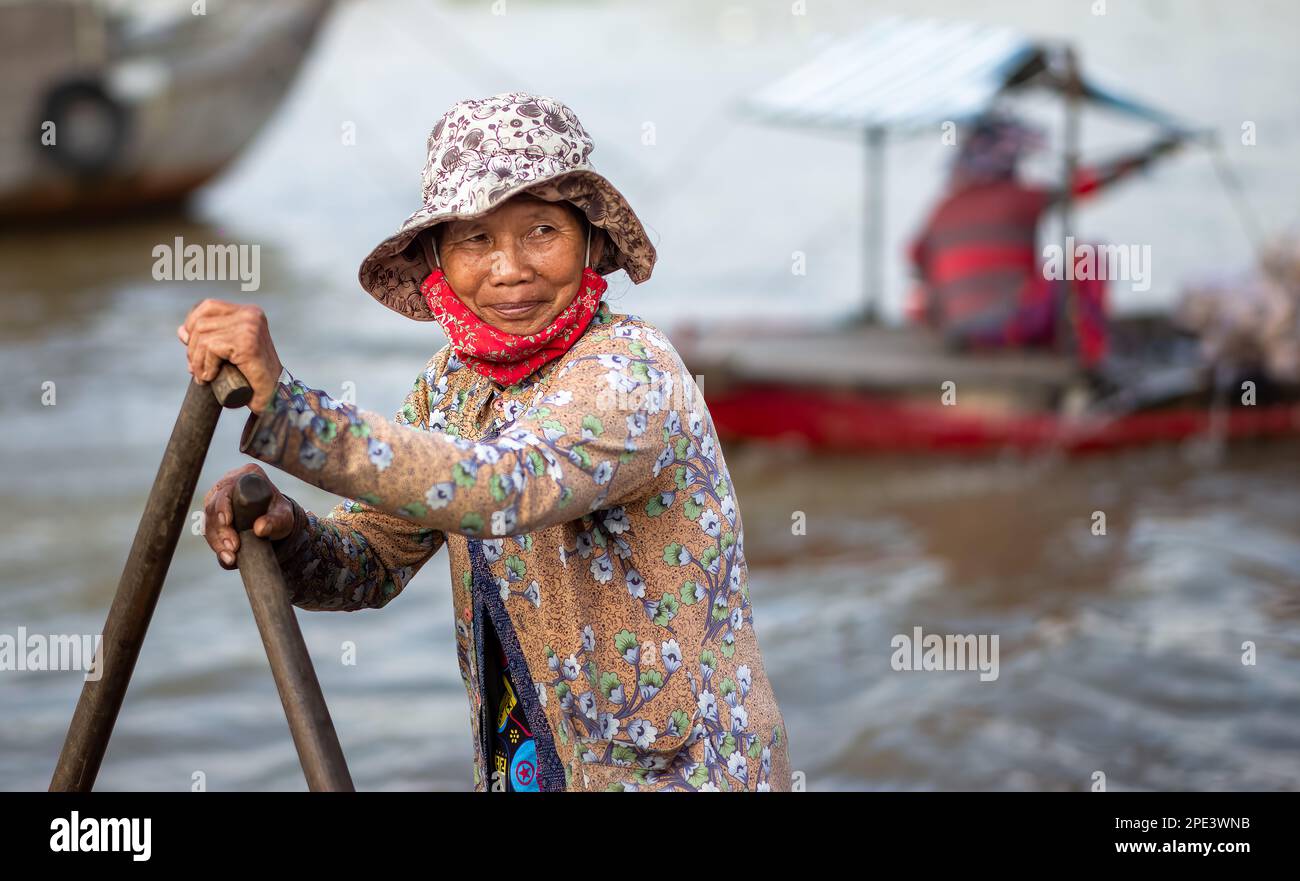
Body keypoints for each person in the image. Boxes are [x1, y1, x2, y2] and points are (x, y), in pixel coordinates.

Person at [180, 92, 792, 792]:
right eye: (476, 239)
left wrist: (289, 408)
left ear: (590, 240)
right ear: (437, 258)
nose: (509, 269)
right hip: (529, 762)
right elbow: (375, 558)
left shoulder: (630, 374)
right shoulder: (451, 386)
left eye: (540, 232)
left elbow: (501, 486)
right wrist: (286, 535)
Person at [906, 112, 1184, 366]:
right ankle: (1092, 358)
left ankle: (1078, 345)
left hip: (961, 332)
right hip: (1010, 326)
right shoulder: (1018, 198)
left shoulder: (943, 207)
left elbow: (915, 258)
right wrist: (1142, 160)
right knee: (1088, 256)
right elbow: (1085, 185)